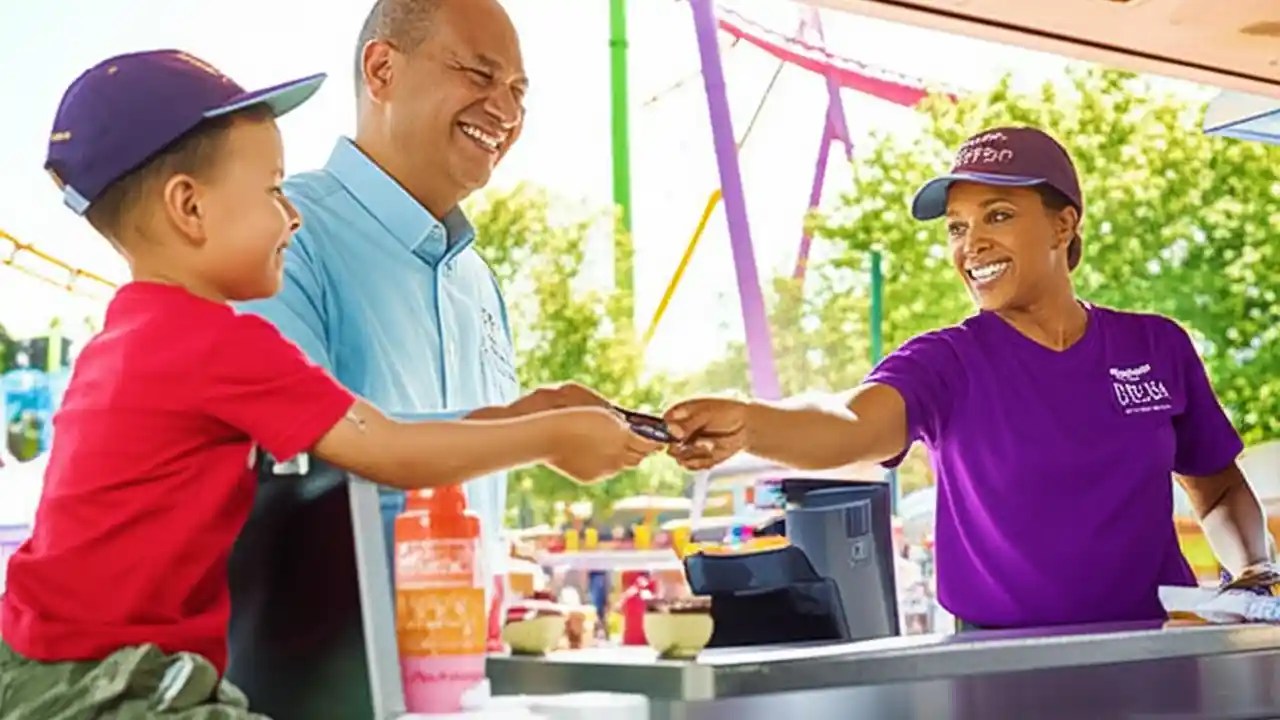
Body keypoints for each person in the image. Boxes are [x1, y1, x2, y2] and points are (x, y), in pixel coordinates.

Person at [0, 50, 659, 720]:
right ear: (189, 207)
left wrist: (519, 415)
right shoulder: (218, 345)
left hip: (40, 666)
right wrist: (549, 436)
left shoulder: (125, 338)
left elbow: (378, 434)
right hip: (119, 683)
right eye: (273, 191)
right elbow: (391, 451)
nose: (294, 216)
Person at [663, 126, 1277, 632]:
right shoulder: (947, 362)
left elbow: (1218, 491)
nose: (971, 244)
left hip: (1153, 661)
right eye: (957, 226)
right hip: (998, 670)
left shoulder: (1155, 346)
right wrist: (751, 423)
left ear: (1064, 226)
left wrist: (1255, 576)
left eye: (998, 215)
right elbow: (850, 425)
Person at [234, 0, 587, 598]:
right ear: (381, 70)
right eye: (479, 75)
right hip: (318, 675)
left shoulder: (478, 281)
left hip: (465, 666)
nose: (504, 109)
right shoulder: (281, 235)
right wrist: (541, 432)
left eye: (518, 91)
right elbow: (295, 457)